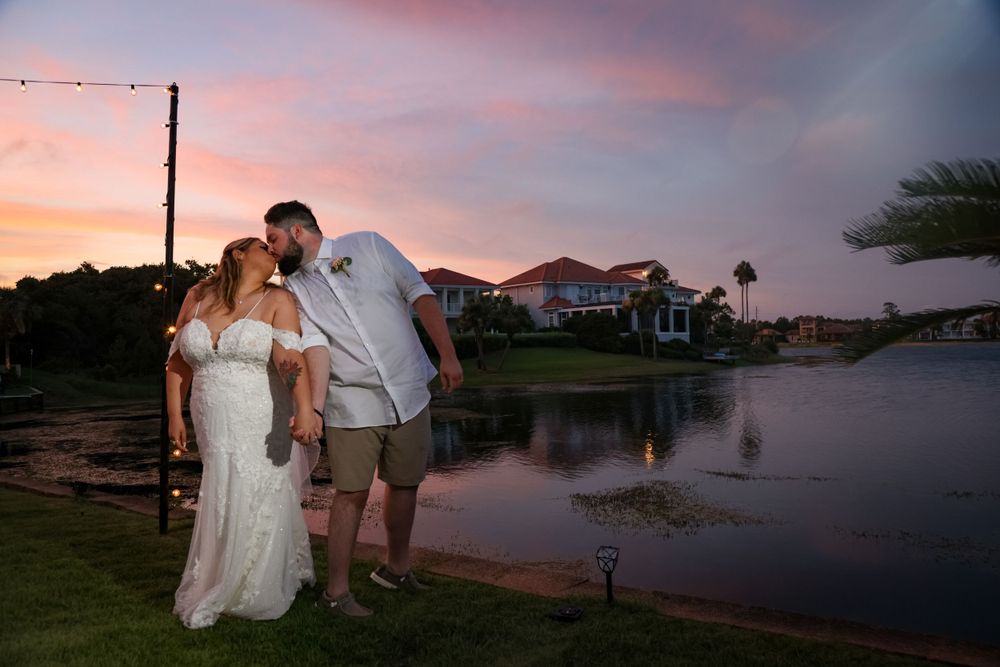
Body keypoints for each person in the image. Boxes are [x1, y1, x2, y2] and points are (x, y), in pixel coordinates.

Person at [264, 201, 462, 618]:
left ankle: (396, 568)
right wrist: (314, 409)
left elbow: (419, 293)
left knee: (405, 482)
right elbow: (314, 346)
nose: (272, 252)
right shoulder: (293, 291)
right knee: (351, 493)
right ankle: (336, 593)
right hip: (352, 402)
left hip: (409, 390)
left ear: (298, 232)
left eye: (274, 240)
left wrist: (448, 354)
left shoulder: (369, 245)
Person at [166, 237, 323, 629]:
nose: (273, 251)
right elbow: (177, 364)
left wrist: (305, 409)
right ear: (238, 253)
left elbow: (290, 362)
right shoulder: (198, 296)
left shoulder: (277, 301)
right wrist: (175, 415)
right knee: (222, 485)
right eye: (263, 246)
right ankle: (220, 569)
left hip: (260, 409)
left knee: (260, 486)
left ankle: (257, 578)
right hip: (211, 412)